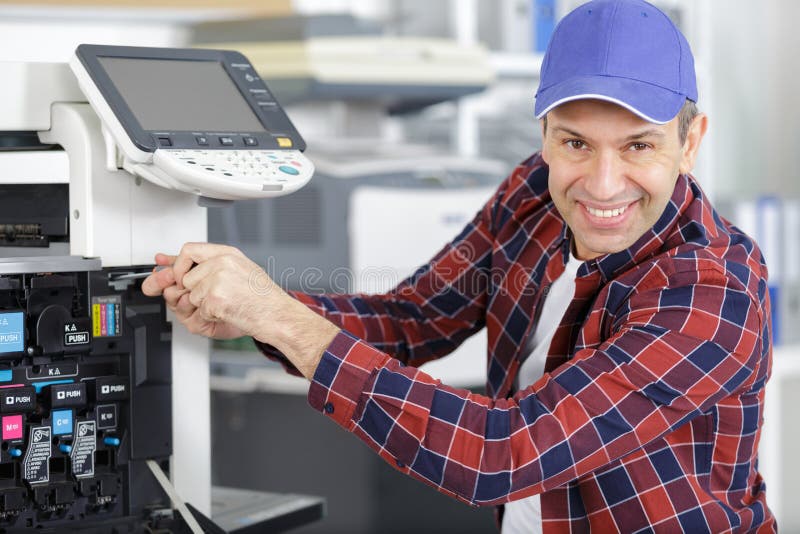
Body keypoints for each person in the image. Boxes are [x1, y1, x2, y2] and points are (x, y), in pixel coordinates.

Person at [143, 0, 775, 531]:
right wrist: (257, 314)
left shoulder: (711, 291)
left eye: (638, 145)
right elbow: (412, 319)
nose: (602, 186)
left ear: (690, 143)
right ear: (545, 132)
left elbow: (500, 450)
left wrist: (281, 319)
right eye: (575, 142)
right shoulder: (534, 195)